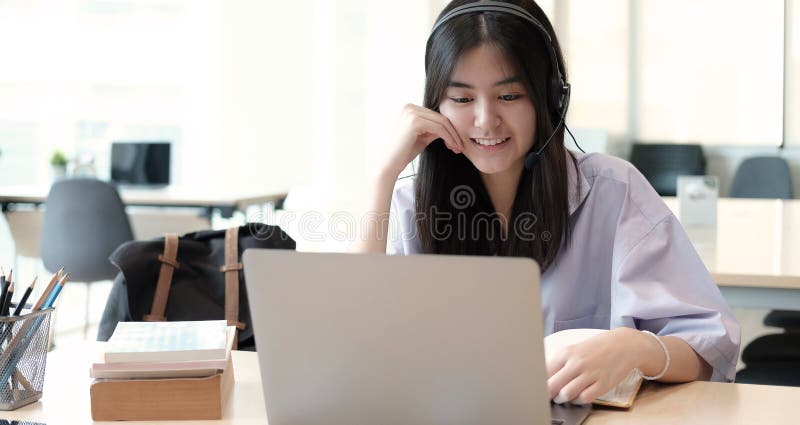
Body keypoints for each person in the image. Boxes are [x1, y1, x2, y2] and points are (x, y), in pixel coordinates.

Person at [355, 0, 739, 405]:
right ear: (436, 106)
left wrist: (634, 348)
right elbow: (355, 350)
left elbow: (712, 348)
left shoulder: (614, 191)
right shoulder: (409, 204)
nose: (486, 121)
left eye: (509, 95)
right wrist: (381, 176)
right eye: (463, 100)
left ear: (550, 98)